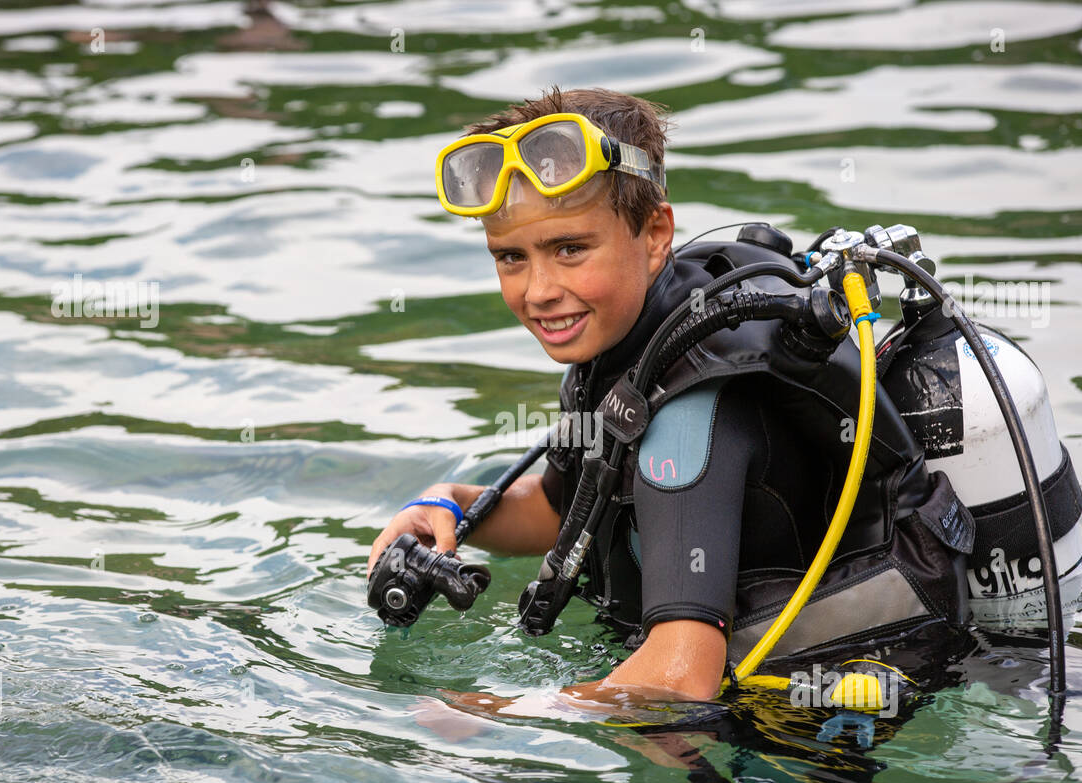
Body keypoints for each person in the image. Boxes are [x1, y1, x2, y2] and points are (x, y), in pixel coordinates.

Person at [367, 86, 974, 709]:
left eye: (570, 249)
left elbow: (680, 679)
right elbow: (562, 510)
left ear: (656, 232)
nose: (539, 290)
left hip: (820, 732)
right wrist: (450, 504)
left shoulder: (689, 406)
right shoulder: (628, 343)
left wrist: (495, 713)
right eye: (511, 258)